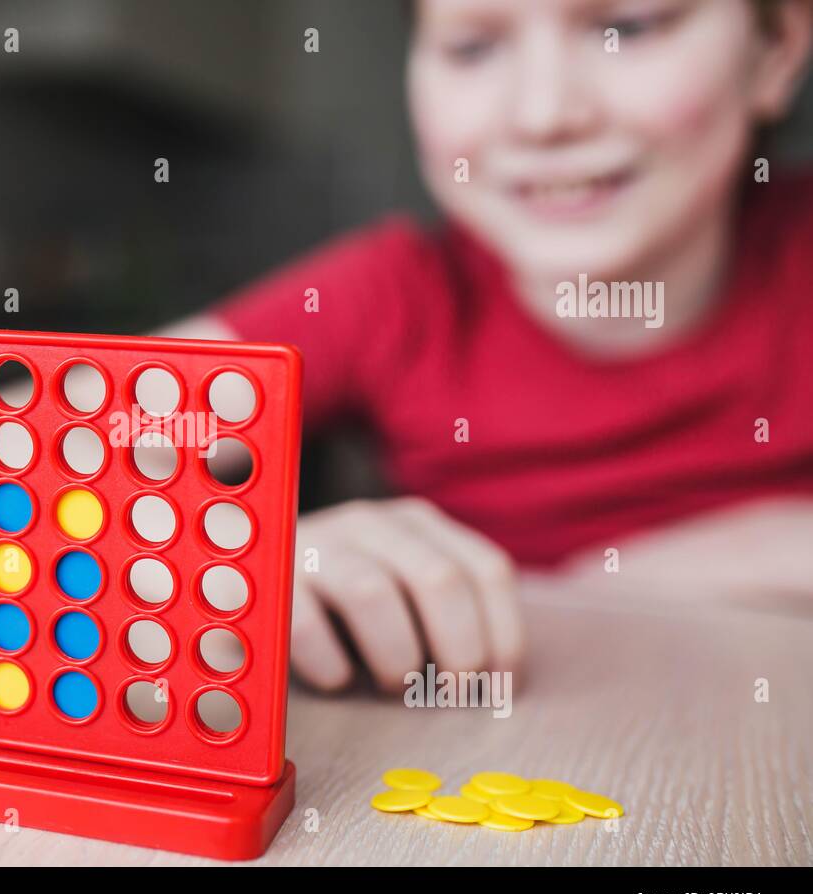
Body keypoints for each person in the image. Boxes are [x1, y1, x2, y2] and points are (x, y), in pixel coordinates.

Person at [164, 0, 813, 692]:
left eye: (628, 28)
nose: (542, 116)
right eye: (471, 47)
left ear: (774, 48)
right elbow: (44, 444)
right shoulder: (394, 295)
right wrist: (229, 558)